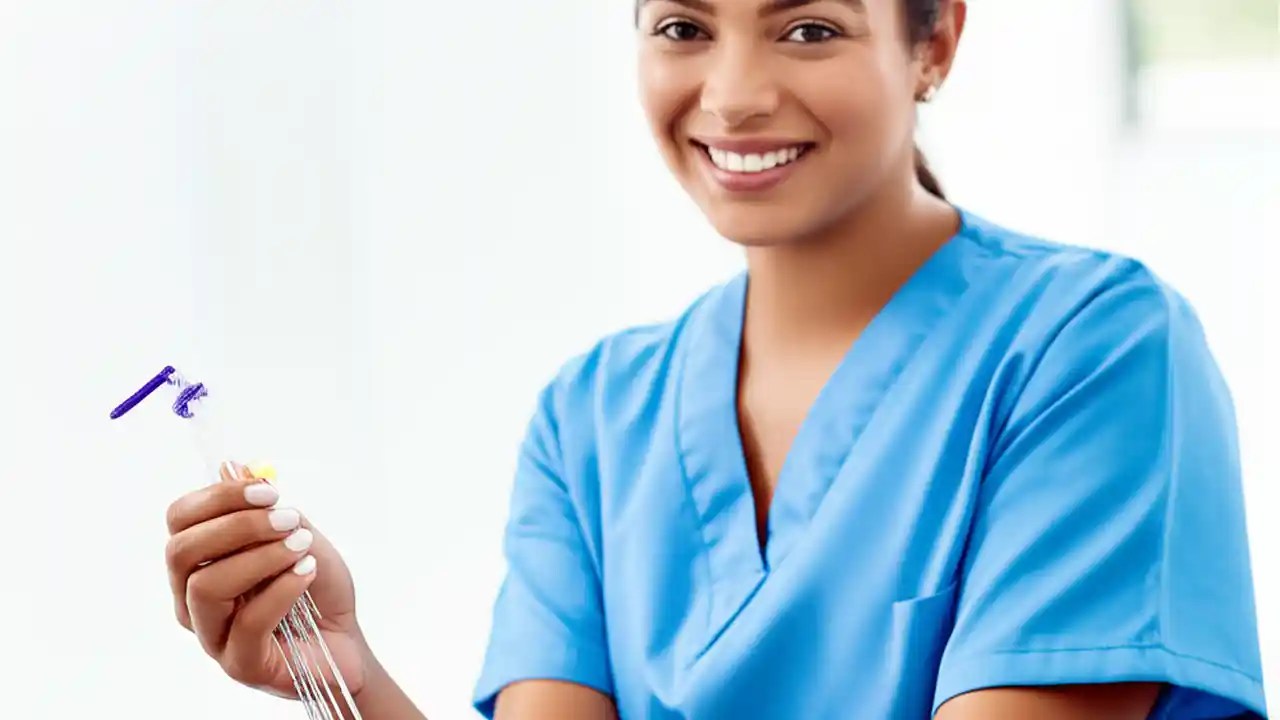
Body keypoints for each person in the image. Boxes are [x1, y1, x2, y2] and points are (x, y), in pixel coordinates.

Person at [161, 0, 1269, 717]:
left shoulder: (1091, 348)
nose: (732, 94)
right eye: (683, 27)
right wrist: (345, 675)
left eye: (807, 30)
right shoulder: (592, 416)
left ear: (932, 41)